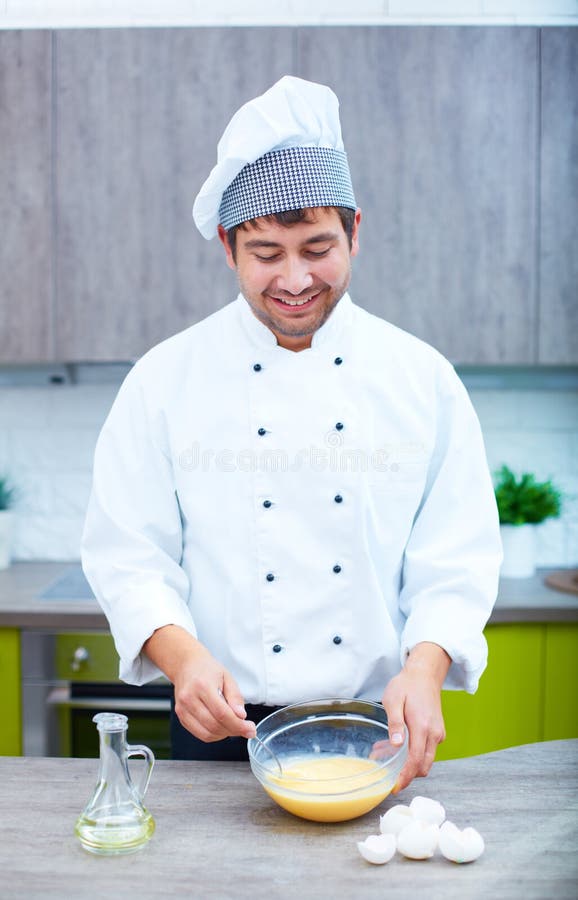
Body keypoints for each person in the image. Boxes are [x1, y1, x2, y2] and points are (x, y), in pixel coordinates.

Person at [81, 76, 502, 791]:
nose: (296, 278)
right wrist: (184, 662)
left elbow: (456, 558)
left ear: (356, 232)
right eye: (267, 253)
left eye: (317, 247)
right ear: (227, 247)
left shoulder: (421, 378)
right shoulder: (164, 380)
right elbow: (128, 555)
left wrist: (425, 669)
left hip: (379, 724)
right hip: (223, 725)